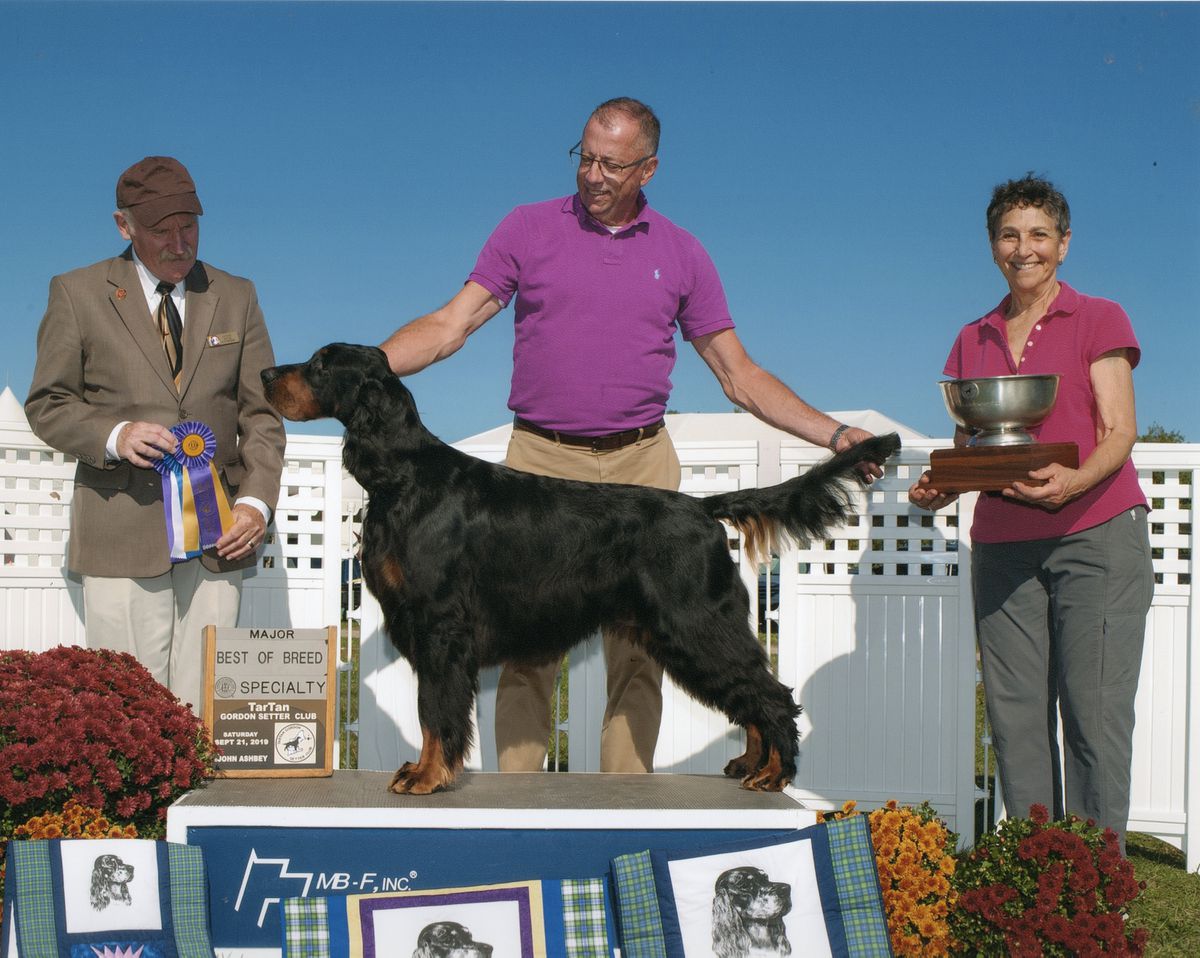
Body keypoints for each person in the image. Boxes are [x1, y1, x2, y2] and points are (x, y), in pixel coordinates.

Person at [381, 97, 880, 775]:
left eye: (611, 164)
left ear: (647, 169)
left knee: (642, 656)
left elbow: (738, 373)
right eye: (584, 157)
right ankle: (515, 806)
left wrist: (835, 434)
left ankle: (626, 804)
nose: (592, 174)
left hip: (640, 462)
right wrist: (367, 375)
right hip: (538, 464)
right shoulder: (526, 229)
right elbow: (450, 325)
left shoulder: (682, 253)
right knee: (524, 655)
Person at [909, 174, 1153, 851]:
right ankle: (1039, 875)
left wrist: (1074, 484)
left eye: (1039, 234)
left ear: (1064, 244)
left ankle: (1098, 890)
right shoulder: (972, 337)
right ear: (994, 247)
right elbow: (972, 448)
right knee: (1016, 721)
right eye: (1010, 235)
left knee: (1093, 717)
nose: (1025, 248)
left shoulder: (1100, 317)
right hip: (1003, 544)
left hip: (1097, 532)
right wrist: (942, 486)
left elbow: (1120, 430)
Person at [25, 156, 286, 714]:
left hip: (221, 537)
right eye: (160, 229)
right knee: (127, 712)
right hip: (120, 531)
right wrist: (114, 435)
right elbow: (48, 404)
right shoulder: (76, 293)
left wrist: (257, 505)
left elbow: (261, 416)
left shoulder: (237, 295)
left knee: (207, 710)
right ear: (124, 226)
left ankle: (201, 803)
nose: (178, 242)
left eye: (188, 224)